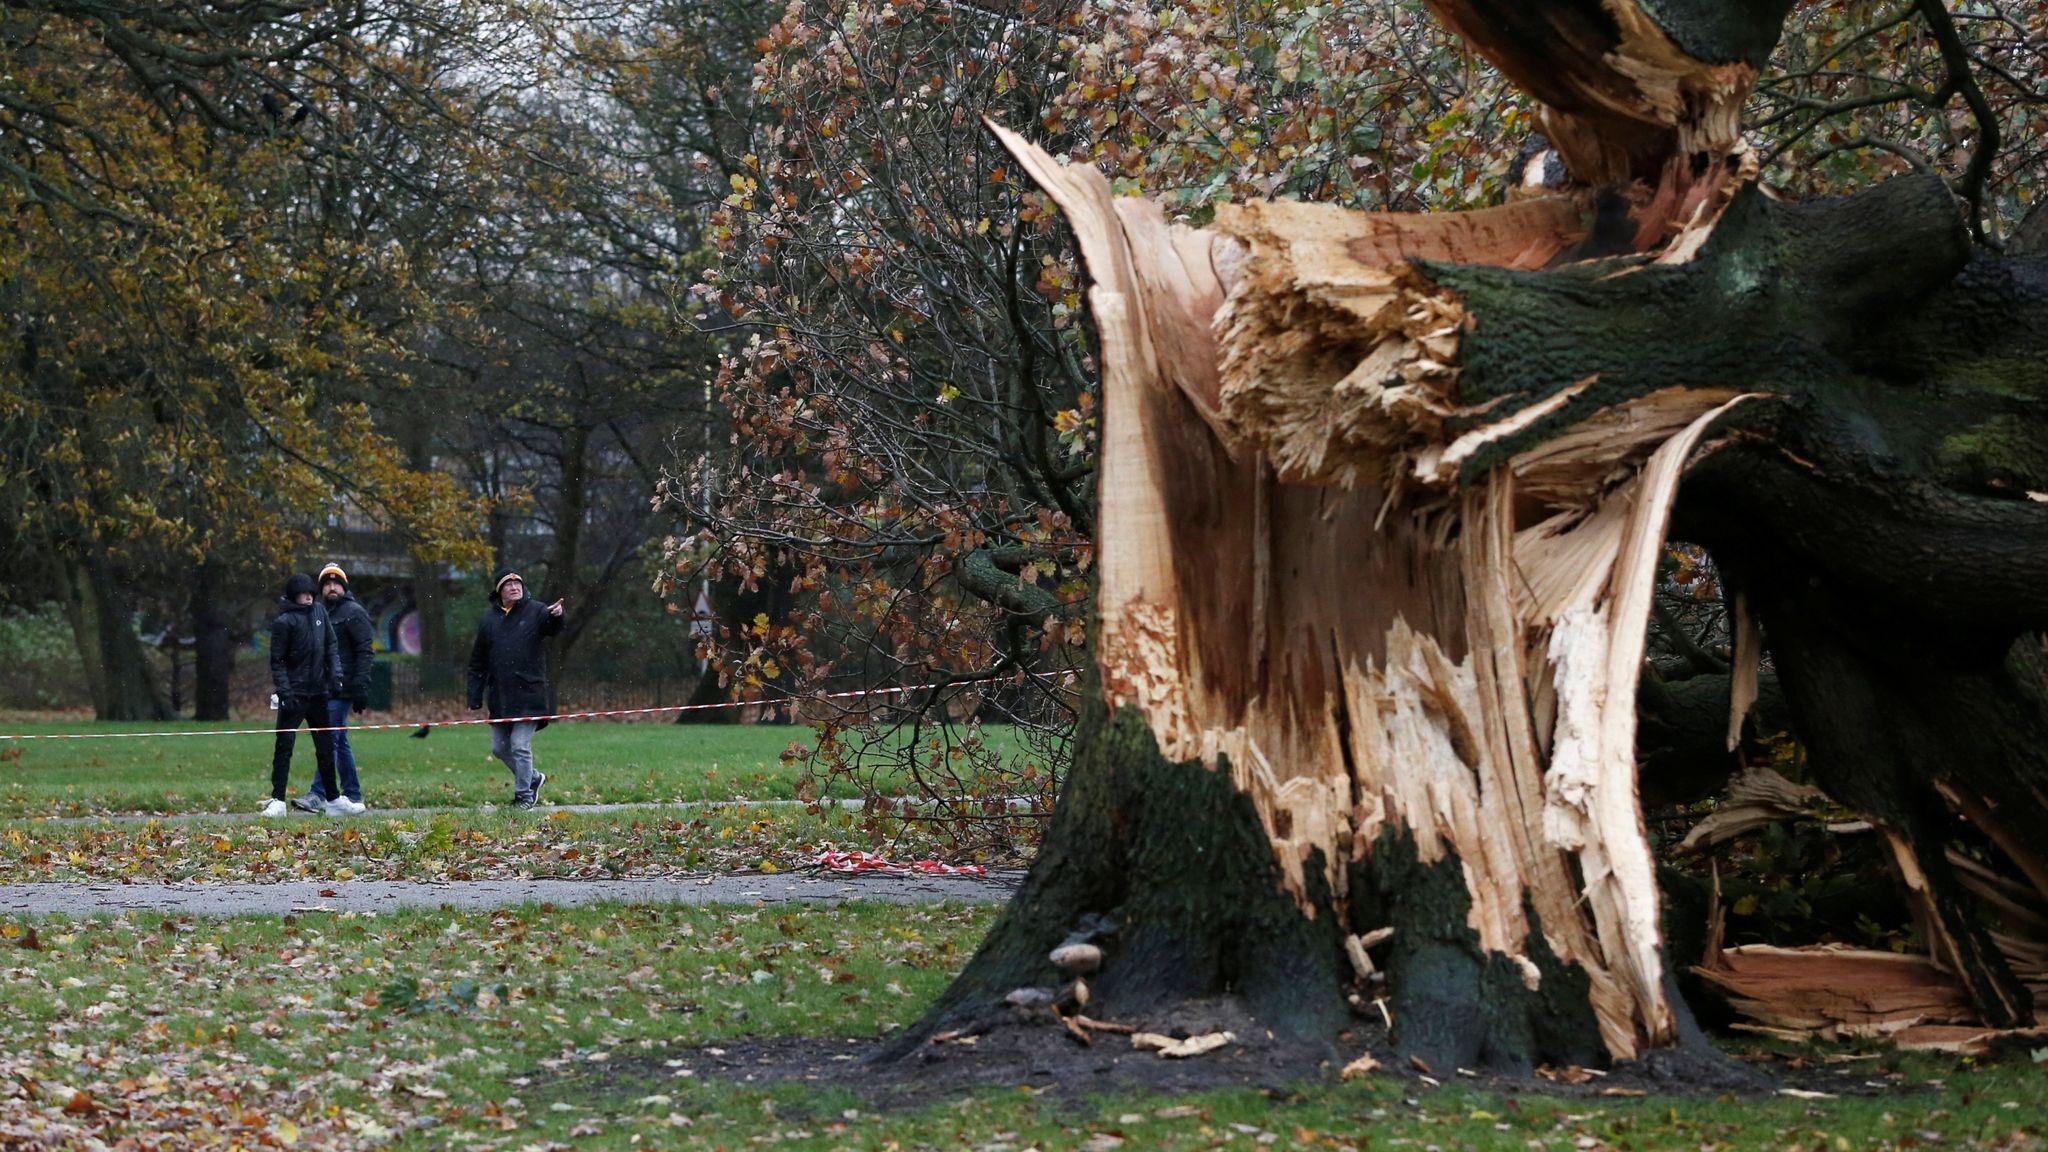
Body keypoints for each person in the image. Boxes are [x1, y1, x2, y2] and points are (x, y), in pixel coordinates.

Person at [466, 568, 565, 810]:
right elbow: (477, 662)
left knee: (520, 745)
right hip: (501, 697)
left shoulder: (537, 611)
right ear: (499, 590)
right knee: (499, 748)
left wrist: (557, 616)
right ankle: (533, 778)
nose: (514, 587)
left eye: (517, 582)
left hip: (530, 694)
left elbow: (552, 626)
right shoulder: (488, 620)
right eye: (508, 584)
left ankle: (524, 796)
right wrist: (474, 695)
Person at [292, 563, 373, 815]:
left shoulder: (354, 612)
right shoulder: (317, 614)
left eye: (336, 582)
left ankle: (319, 794)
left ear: (344, 586)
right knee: (339, 741)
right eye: (326, 583)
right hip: (322, 688)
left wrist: (359, 686)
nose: (332, 587)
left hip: (345, 688)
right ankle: (353, 793)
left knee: (330, 739)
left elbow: (364, 652)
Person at [265, 573, 347, 818]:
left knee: (324, 747)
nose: (309, 598)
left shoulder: (320, 614)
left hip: (318, 693)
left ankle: (332, 798)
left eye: (311, 593)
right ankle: (277, 799)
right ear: (294, 596)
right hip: (294, 695)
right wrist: (285, 691)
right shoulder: (284, 622)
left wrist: (335, 676)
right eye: (304, 594)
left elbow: (331, 646)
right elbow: (277, 661)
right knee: (284, 747)